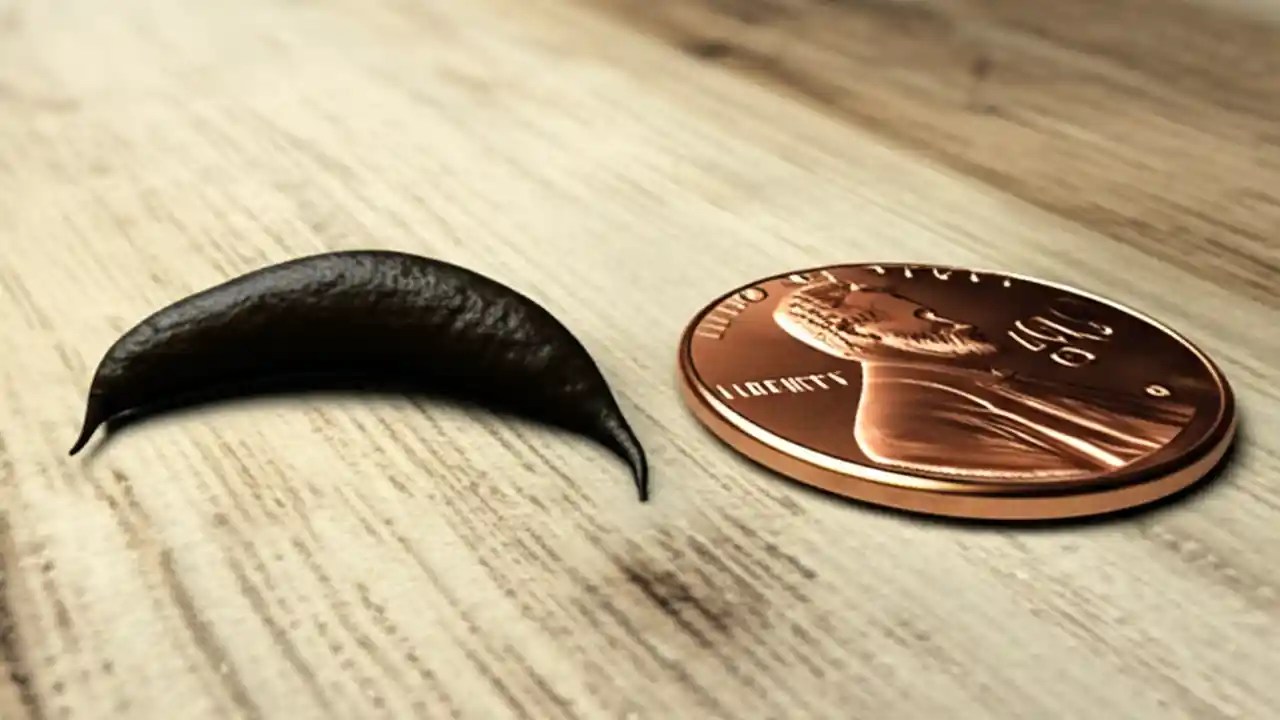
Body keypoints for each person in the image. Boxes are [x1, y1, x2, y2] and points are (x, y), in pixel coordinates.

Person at [773, 278, 1194, 481]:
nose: (941, 315)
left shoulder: (976, 373)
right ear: (859, 330)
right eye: (917, 315)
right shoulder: (898, 427)